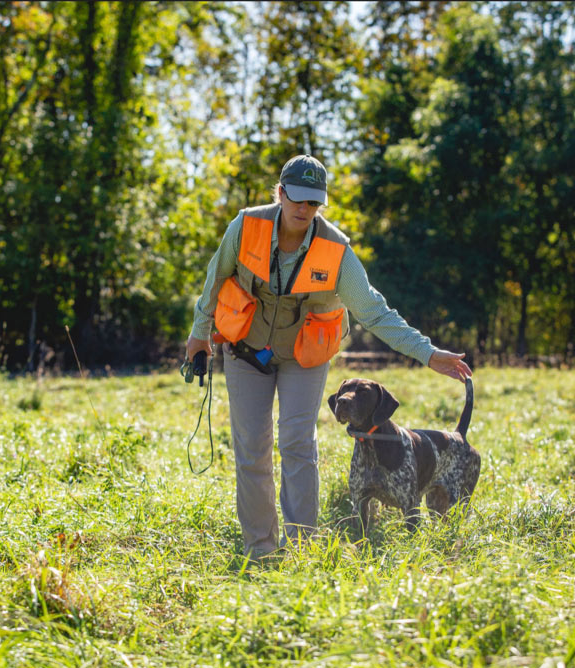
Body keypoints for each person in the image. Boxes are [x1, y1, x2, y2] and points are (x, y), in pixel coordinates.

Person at [186, 154, 471, 559]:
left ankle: (302, 547)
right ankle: (261, 550)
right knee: (252, 448)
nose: (304, 209)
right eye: (297, 198)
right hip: (246, 349)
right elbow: (215, 278)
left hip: (304, 355)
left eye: (313, 202)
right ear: (280, 193)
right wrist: (199, 334)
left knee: (297, 442)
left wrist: (427, 353)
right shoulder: (246, 226)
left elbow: (375, 312)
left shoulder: (336, 249)